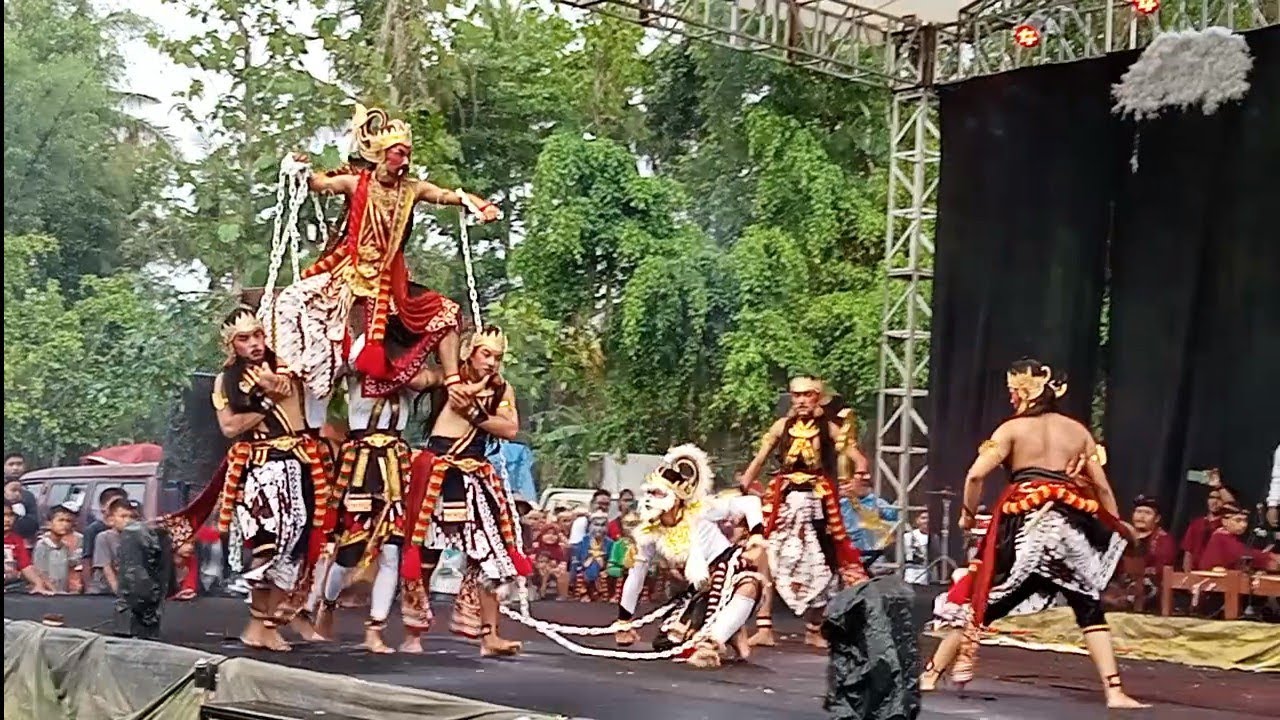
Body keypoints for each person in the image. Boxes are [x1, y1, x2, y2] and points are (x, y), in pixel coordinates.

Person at [919, 359, 1146, 709]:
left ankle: (932, 674)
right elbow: (1101, 487)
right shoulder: (1078, 432)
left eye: (1013, 393)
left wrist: (967, 516)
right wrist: (1114, 525)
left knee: (984, 602)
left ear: (1023, 393)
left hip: (1027, 525)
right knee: (1088, 607)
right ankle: (1114, 691)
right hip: (1069, 527)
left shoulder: (1011, 430)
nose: (1010, 399)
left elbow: (975, 476)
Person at [263, 104, 499, 407]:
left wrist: (480, 205)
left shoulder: (412, 189)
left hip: (390, 281)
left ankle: (452, 381)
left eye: (408, 154)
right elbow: (318, 183)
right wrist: (298, 167)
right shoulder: (356, 183)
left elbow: (448, 195)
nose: (405, 161)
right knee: (290, 299)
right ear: (382, 154)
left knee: (448, 311)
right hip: (347, 273)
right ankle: (286, 370)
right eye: (399, 153)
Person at [398, 326, 532, 656]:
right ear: (469, 352)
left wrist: (473, 412)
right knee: (425, 556)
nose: (492, 362)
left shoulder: (501, 388)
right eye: (486, 354)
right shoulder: (448, 377)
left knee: (492, 559)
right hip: (439, 474)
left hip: (474, 475)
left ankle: (489, 637)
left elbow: (510, 428)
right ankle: (413, 634)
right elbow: (413, 379)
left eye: (498, 357)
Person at [208, 305, 332, 651]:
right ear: (231, 344)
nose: (254, 343)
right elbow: (230, 427)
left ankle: (267, 624)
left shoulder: (285, 364)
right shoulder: (225, 380)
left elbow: (303, 378)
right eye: (244, 338)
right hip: (263, 468)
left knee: (294, 548)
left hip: (299, 463)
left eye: (258, 335)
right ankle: (261, 625)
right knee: (268, 546)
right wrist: (265, 403)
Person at [311, 332, 438, 653]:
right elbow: (353, 364)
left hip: (395, 466)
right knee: (349, 551)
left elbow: (428, 379)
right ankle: (327, 604)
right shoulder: (362, 352)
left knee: (392, 551)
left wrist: (406, 363)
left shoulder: (410, 361)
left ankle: (375, 629)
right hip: (361, 465)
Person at [740, 375, 867, 649]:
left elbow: (858, 460)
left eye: (807, 395)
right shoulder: (781, 426)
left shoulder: (829, 428)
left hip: (817, 504)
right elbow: (759, 459)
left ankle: (814, 629)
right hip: (782, 501)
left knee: (824, 562)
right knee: (766, 556)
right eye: (796, 395)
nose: (800, 401)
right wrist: (743, 486)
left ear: (817, 397)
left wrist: (856, 479)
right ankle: (764, 627)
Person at [614, 444, 767, 668]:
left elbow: (750, 503)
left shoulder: (701, 510)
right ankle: (732, 630)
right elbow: (636, 576)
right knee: (667, 642)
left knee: (749, 584)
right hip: (699, 589)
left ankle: (713, 642)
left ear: (677, 498)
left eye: (657, 493)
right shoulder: (649, 532)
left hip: (729, 571)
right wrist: (624, 622)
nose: (649, 499)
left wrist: (756, 536)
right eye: (648, 492)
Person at [5, 499, 54, 594]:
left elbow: (26, 566)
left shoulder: (16, 539)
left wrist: (38, 584)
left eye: (10, 515)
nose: (7, 520)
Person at [33, 504, 83, 593]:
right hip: (47, 594)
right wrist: (55, 591)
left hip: (62, 592)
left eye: (68, 521)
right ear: (49, 523)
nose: (65, 524)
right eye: (60, 520)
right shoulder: (42, 545)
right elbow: (40, 573)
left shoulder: (65, 547)